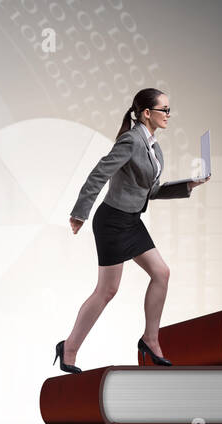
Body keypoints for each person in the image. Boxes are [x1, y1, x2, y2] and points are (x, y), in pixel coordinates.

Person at [54, 88, 209, 372]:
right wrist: (80, 212)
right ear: (147, 113)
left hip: (131, 222)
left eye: (169, 110)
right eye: (164, 110)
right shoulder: (131, 140)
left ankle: (150, 339)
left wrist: (188, 186)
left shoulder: (154, 147)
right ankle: (69, 348)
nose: (169, 115)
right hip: (112, 221)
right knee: (107, 290)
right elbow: (100, 173)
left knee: (161, 273)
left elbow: (150, 191)